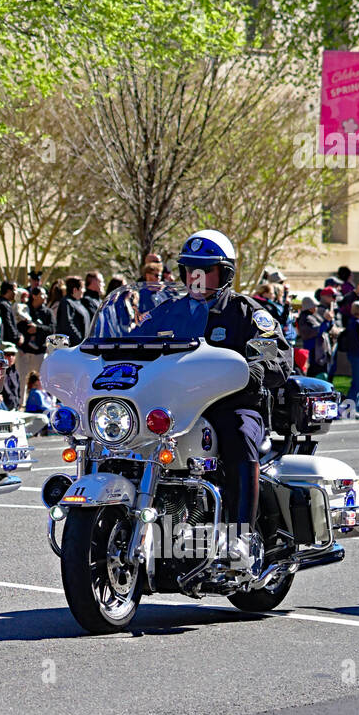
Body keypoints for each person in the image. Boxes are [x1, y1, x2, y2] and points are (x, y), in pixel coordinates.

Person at [140, 230, 290, 578]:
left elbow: (278, 357)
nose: (197, 278)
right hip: (174, 407)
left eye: (205, 270)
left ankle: (239, 535)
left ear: (224, 274)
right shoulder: (168, 313)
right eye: (190, 270)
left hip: (230, 404)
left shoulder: (246, 312)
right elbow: (132, 343)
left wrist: (253, 370)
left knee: (238, 433)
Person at [54, 276, 90, 345]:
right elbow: (67, 325)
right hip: (72, 348)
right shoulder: (66, 302)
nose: (84, 290)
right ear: (75, 290)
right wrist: (80, 342)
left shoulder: (78, 302)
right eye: (82, 288)